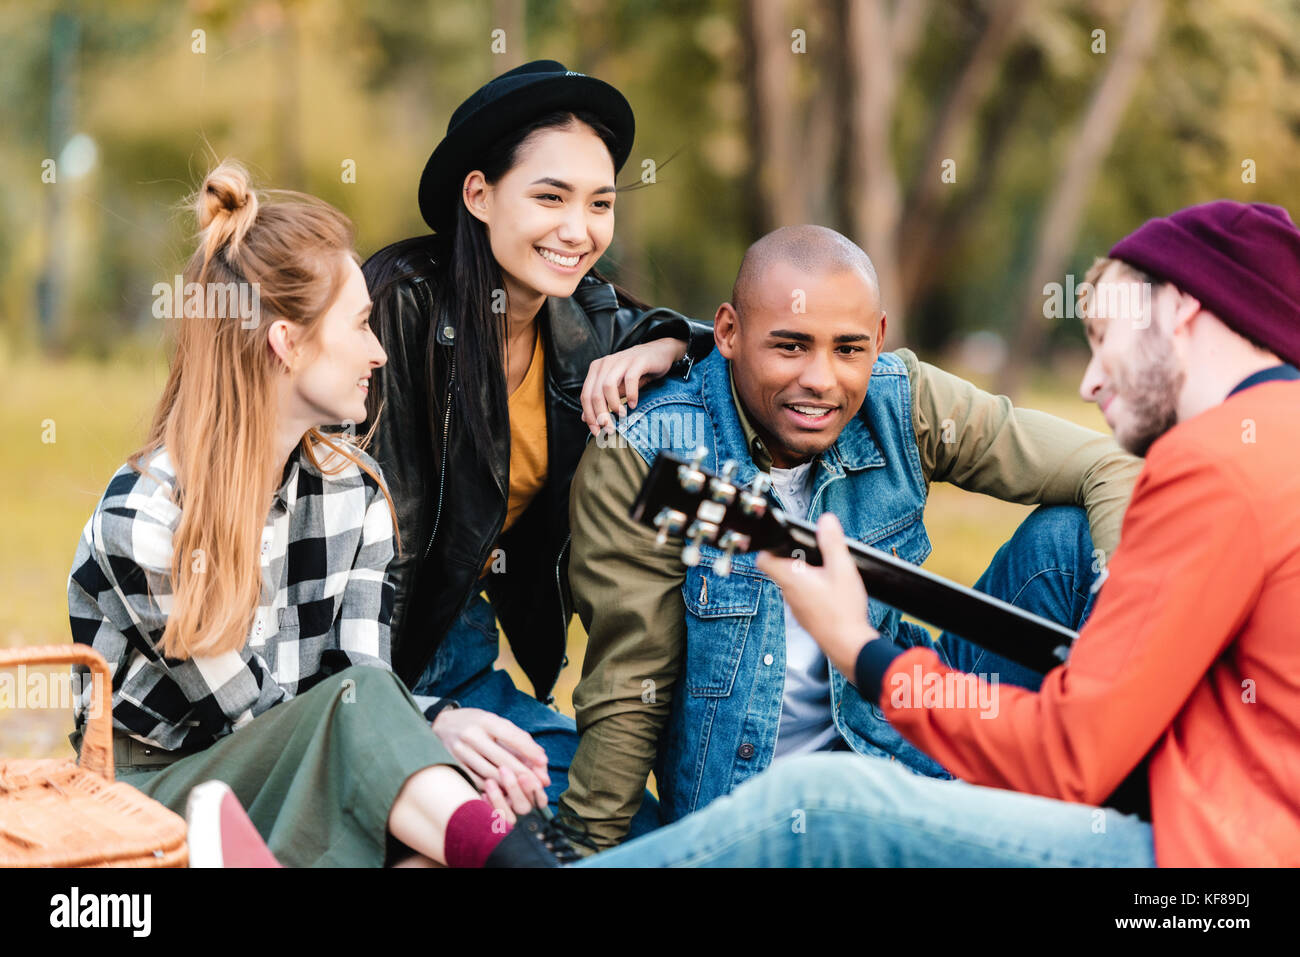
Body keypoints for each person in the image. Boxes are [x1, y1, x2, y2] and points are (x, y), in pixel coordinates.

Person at [580, 200, 1300, 867]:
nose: (1088, 380)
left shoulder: (1213, 467)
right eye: (790, 346)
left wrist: (861, 649)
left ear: (1181, 310)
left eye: (1105, 337)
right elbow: (627, 686)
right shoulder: (1272, 439)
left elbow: (1072, 749)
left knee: (824, 803)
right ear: (732, 332)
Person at [67, 160, 578, 867]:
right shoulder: (148, 518)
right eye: (363, 323)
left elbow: (357, 685)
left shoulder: (354, 489)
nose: (378, 351)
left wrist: (431, 722)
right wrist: (426, 726)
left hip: (301, 775)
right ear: (286, 342)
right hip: (162, 801)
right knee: (393, 782)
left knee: (425, 855)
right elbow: (278, 720)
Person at [361, 59, 713, 829]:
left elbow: (749, 357)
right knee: (463, 835)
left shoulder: (583, 329)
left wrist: (667, 345)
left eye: (599, 204)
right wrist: (412, 716)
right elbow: (317, 568)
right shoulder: (397, 311)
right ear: (479, 194)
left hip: (462, 660)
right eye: (549, 197)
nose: (577, 229)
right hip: (354, 667)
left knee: (635, 833)